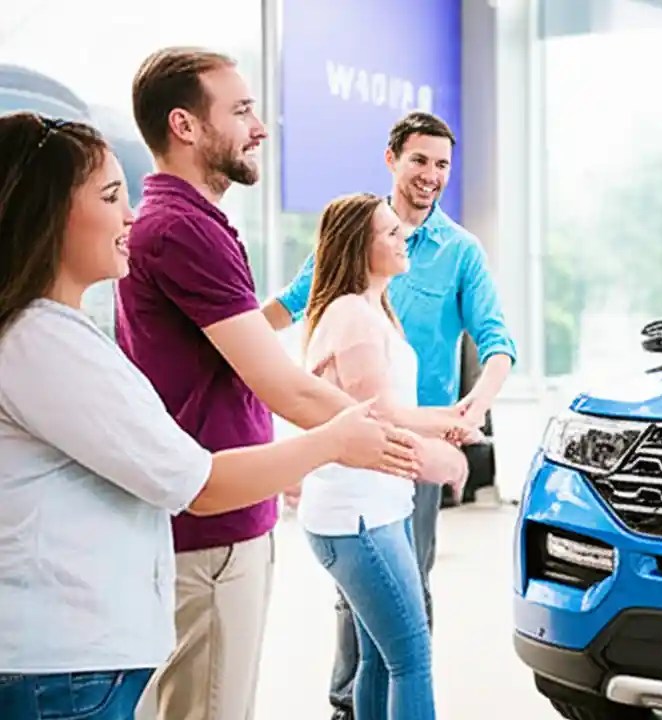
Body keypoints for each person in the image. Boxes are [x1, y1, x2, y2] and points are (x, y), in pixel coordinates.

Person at [0, 111, 418, 720]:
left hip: (78, 660)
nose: (129, 217)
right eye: (111, 196)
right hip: (64, 670)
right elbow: (201, 481)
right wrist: (335, 440)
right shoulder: (43, 343)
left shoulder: (56, 333)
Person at [114, 48, 451, 720]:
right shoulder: (182, 229)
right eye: (240, 111)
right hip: (212, 529)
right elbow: (285, 388)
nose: (259, 126)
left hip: (218, 516)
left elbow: (266, 364)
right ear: (184, 126)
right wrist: (414, 451)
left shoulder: (188, 224)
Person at [262, 111, 517, 719]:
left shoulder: (459, 251)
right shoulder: (355, 246)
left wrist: (469, 411)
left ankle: (363, 703)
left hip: (418, 445)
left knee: (401, 594)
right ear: (391, 160)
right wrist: (224, 343)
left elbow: (496, 341)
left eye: (442, 165)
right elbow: (295, 304)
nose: (431, 175)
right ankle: (346, 706)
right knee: (367, 600)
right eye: (420, 160)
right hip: (382, 449)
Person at [298, 192, 481, 719]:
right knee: (410, 657)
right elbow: (376, 415)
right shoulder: (352, 314)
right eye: (391, 233)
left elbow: (390, 405)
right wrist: (445, 452)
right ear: (359, 246)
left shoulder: (371, 309)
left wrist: (450, 421)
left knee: (380, 658)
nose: (405, 239)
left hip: (375, 510)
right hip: (358, 517)